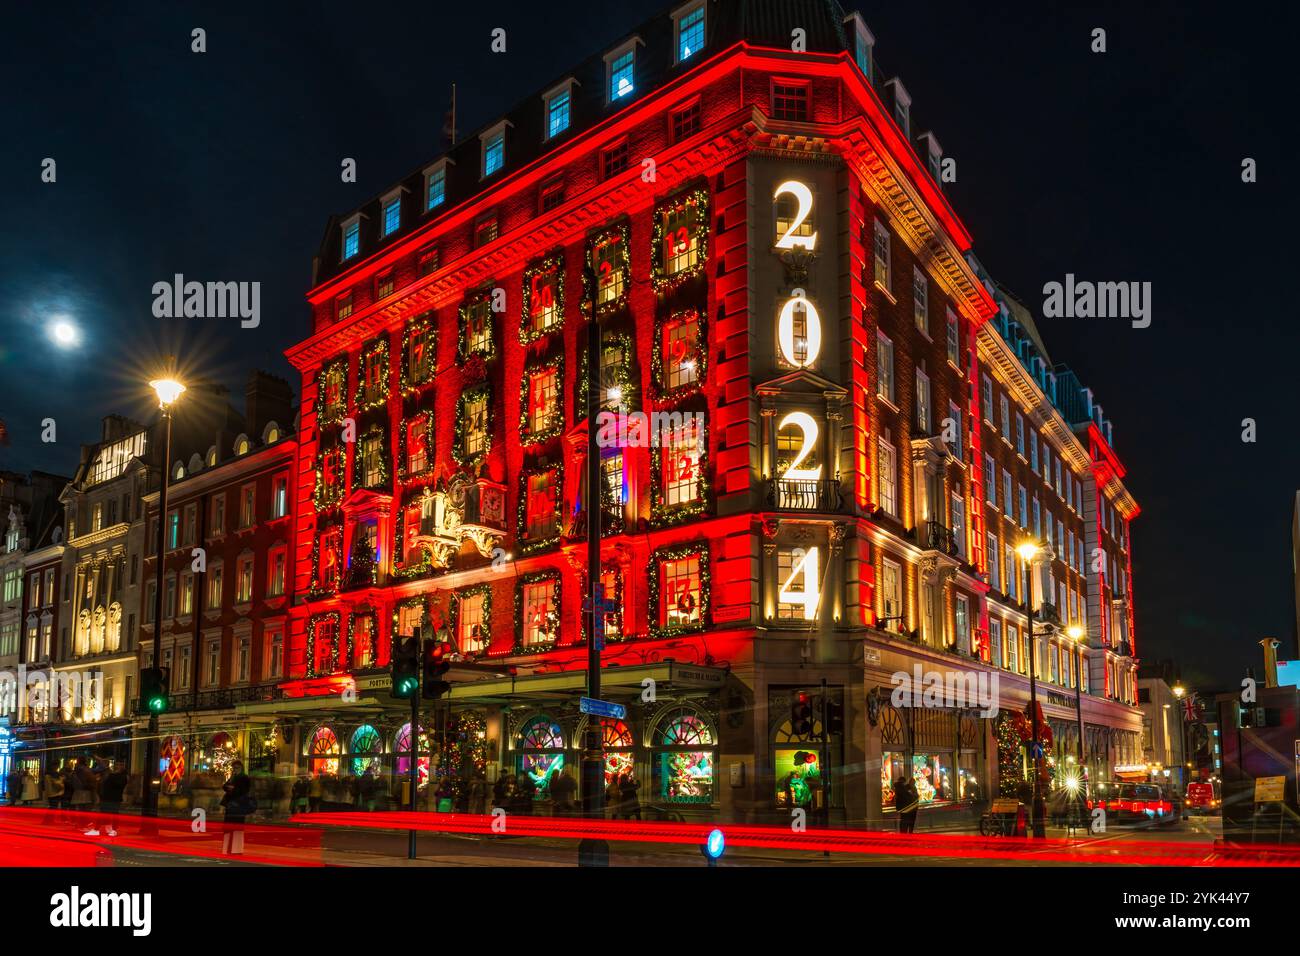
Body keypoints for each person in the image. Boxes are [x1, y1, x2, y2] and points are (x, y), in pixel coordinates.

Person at [220, 760, 254, 855]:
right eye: (234, 768)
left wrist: (233, 789)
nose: (235, 769)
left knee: (237, 828)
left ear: (241, 768)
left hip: (238, 805)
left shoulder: (244, 778)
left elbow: (244, 790)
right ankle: (227, 849)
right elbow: (225, 786)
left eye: (237, 768)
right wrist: (230, 786)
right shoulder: (232, 777)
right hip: (231, 805)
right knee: (229, 827)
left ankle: (236, 849)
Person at [98, 762, 128, 836]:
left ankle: (113, 829)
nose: (117, 767)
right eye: (116, 765)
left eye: (119, 765)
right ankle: (109, 829)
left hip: (113, 798)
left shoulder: (120, 777)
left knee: (112, 813)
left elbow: (117, 784)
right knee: (106, 813)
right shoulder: (114, 776)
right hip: (108, 797)